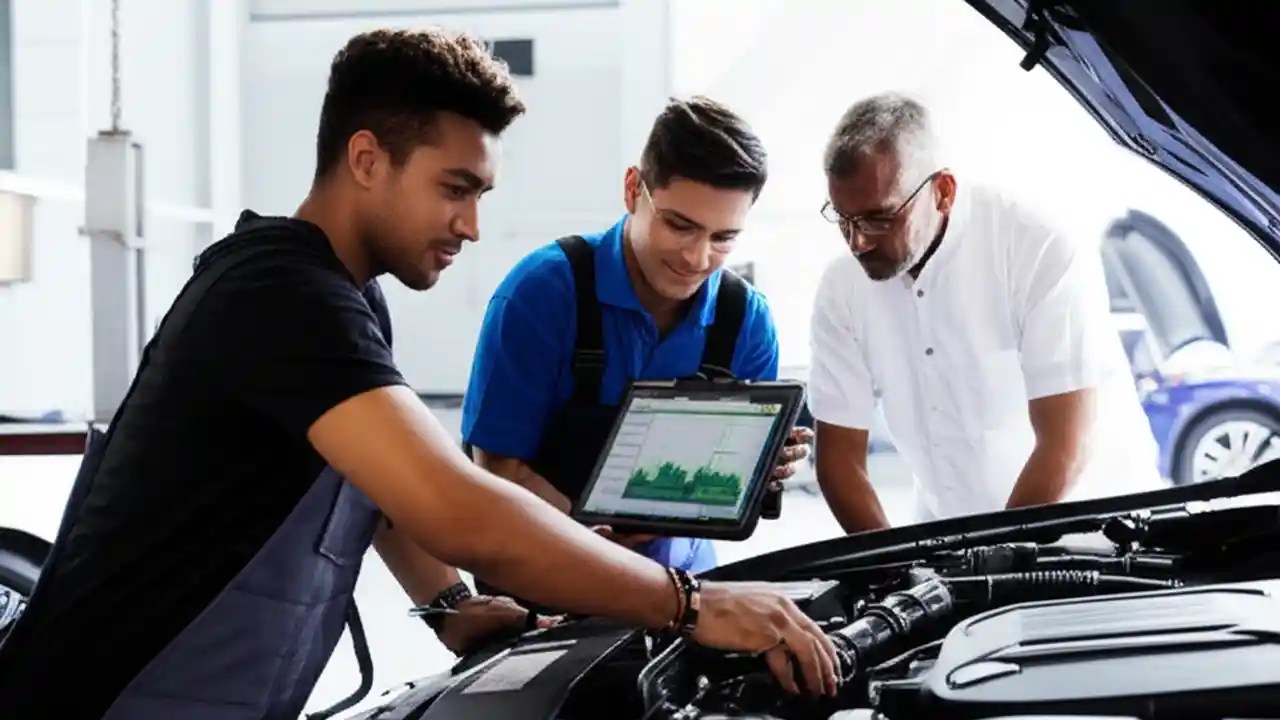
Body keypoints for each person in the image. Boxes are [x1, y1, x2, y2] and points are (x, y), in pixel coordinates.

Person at [0, 29, 839, 719]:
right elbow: (454, 503)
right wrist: (691, 603)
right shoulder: (279, 293)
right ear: (367, 158)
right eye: (455, 189)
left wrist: (446, 606)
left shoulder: (347, 296)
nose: (473, 225)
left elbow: (375, 486)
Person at [460, 95, 811, 581]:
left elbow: (725, 489)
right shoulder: (540, 295)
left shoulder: (747, 321)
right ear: (632, 189)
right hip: (542, 579)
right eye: (679, 225)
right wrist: (589, 538)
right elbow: (496, 470)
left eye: (723, 237)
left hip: (685, 586)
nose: (697, 257)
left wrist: (760, 469)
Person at [807, 92, 1165, 533]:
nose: (858, 241)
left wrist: (996, 558)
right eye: (843, 219)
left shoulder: (1036, 244)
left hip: (1095, 528)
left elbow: (1066, 444)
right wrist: (894, 575)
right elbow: (839, 461)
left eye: (879, 219)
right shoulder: (842, 286)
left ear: (942, 192)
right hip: (950, 534)